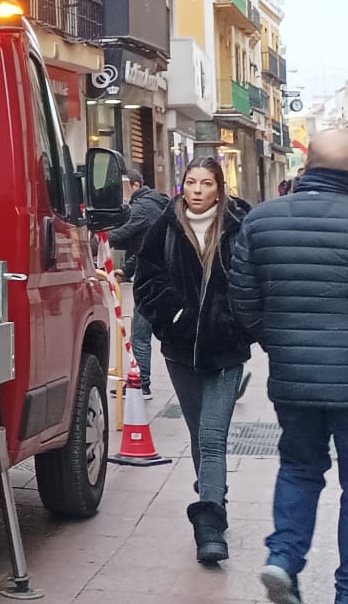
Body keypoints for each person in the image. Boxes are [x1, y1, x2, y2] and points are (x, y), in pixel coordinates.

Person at [228, 131, 348, 604]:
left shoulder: (261, 220)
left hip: (293, 378)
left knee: (301, 469)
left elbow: (243, 299)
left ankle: (283, 557)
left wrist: (277, 343)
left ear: (306, 163)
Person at [132, 157, 252, 564]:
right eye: (190, 182)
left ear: (220, 187)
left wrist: (239, 322)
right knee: (199, 431)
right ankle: (214, 497)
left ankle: (209, 526)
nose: (197, 190)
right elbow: (146, 279)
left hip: (225, 350)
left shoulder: (240, 224)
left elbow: (256, 279)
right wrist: (175, 316)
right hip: (180, 350)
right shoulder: (164, 227)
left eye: (205, 183)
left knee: (213, 437)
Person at [108, 167, 170, 393]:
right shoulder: (156, 203)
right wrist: (125, 270)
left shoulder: (141, 208)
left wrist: (91, 237)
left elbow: (116, 234)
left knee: (141, 335)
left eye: (123, 186)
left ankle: (140, 384)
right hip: (164, 278)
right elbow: (145, 247)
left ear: (134, 185)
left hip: (153, 282)